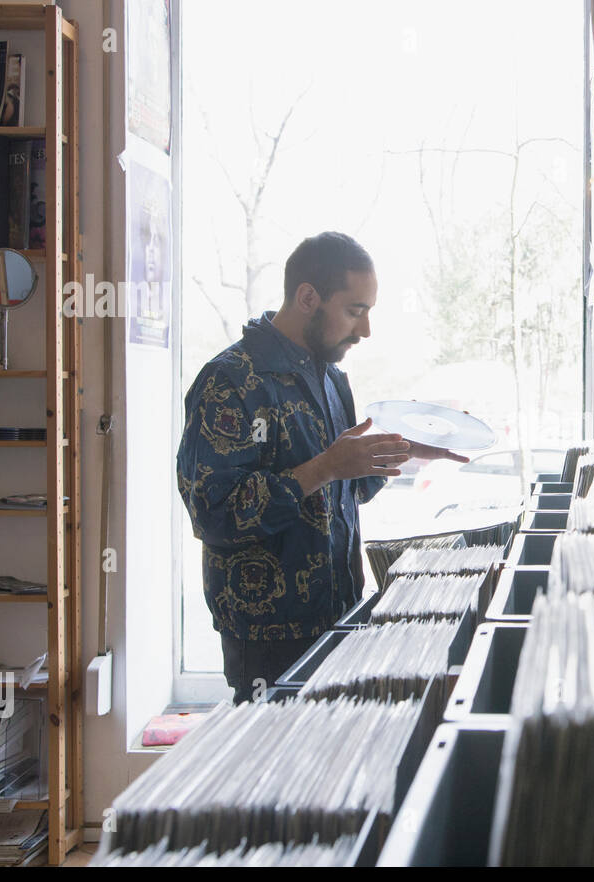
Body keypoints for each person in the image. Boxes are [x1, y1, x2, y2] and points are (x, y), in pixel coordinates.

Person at [177, 232, 468, 702]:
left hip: (339, 618)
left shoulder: (332, 378)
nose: (365, 331)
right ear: (308, 297)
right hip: (268, 640)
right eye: (355, 311)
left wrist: (399, 450)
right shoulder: (228, 381)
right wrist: (326, 468)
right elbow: (214, 514)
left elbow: (342, 489)